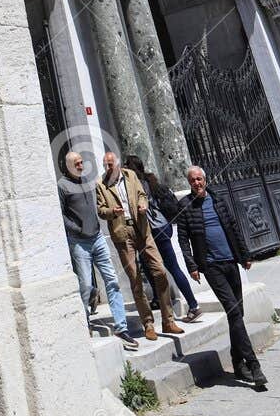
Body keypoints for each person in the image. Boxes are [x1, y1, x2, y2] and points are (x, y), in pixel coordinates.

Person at [174, 165, 267, 390]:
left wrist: (244, 254)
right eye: (192, 180)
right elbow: (183, 239)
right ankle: (254, 366)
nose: (196, 183)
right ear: (189, 183)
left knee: (237, 314)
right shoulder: (185, 206)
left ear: (204, 180)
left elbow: (234, 227)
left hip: (230, 261)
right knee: (233, 311)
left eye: (199, 179)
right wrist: (192, 266)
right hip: (211, 266)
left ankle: (237, 362)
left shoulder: (218, 199)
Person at [97, 150, 184, 343]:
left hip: (142, 229)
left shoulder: (131, 176)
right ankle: (148, 324)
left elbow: (142, 194)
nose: (107, 168)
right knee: (135, 280)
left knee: (160, 271)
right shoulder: (100, 184)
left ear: (118, 165)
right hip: (122, 234)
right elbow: (101, 210)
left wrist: (143, 205)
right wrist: (112, 211)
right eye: (105, 165)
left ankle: (168, 320)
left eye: (110, 164)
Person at [60, 149, 138, 349]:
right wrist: (76, 229)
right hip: (79, 242)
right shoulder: (62, 186)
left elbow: (101, 202)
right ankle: (84, 321)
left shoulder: (89, 181)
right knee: (85, 284)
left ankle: (121, 327)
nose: (81, 165)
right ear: (69, 166)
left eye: (81, 162)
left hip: (97, 238)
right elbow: (60, 215)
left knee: (112, 280)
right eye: (77, 163)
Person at [125, 156, 201, 323]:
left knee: (167, 267)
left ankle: (193, 305)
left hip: (154, 230)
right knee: (150, 264)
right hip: (164, 226)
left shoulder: (137, 184)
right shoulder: (151, 180)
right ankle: (164, 300)